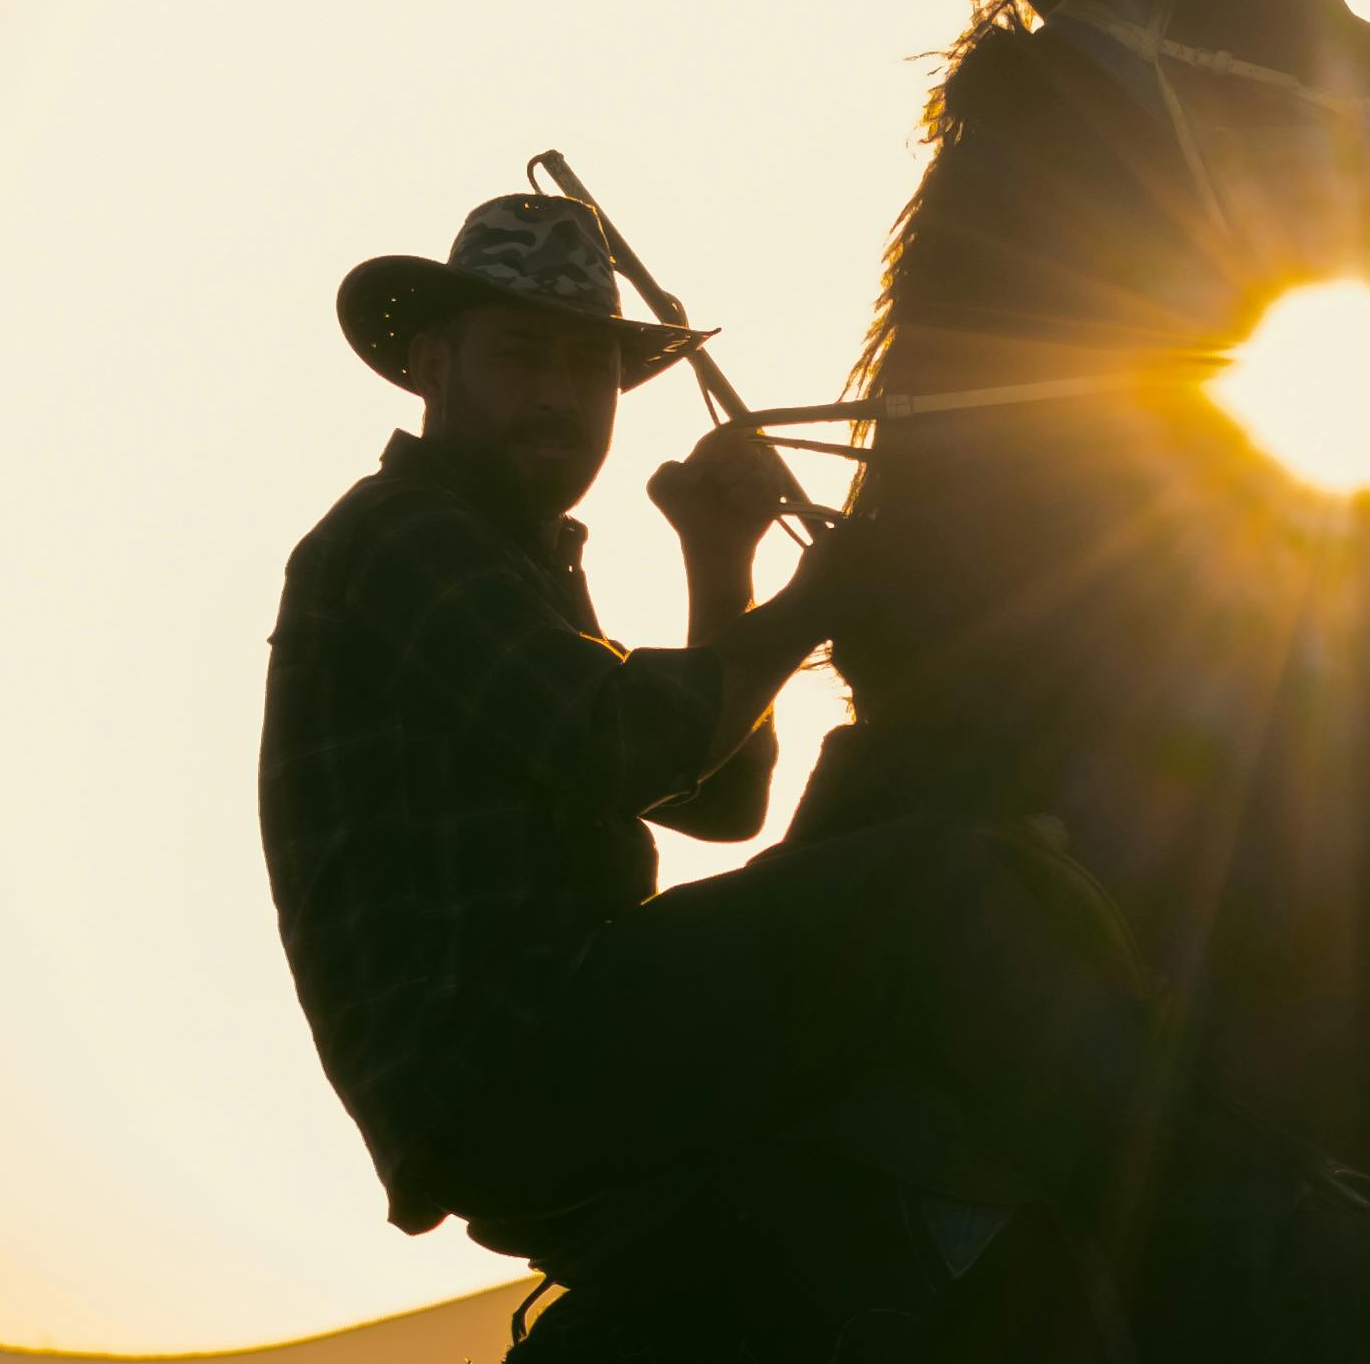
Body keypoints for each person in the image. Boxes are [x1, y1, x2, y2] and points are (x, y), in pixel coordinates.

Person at [259, 171, 1178, 1291]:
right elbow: (617, 743)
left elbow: (720, 803)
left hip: (544, 1045)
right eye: (521, 356)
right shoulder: (402, 539)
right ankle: (1212, 1214)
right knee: (936, 890)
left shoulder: (511, 556)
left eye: (588, 367)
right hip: (511, 1057)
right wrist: (814, 604)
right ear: (433, 365)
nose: (557, 394)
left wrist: (721, 563)